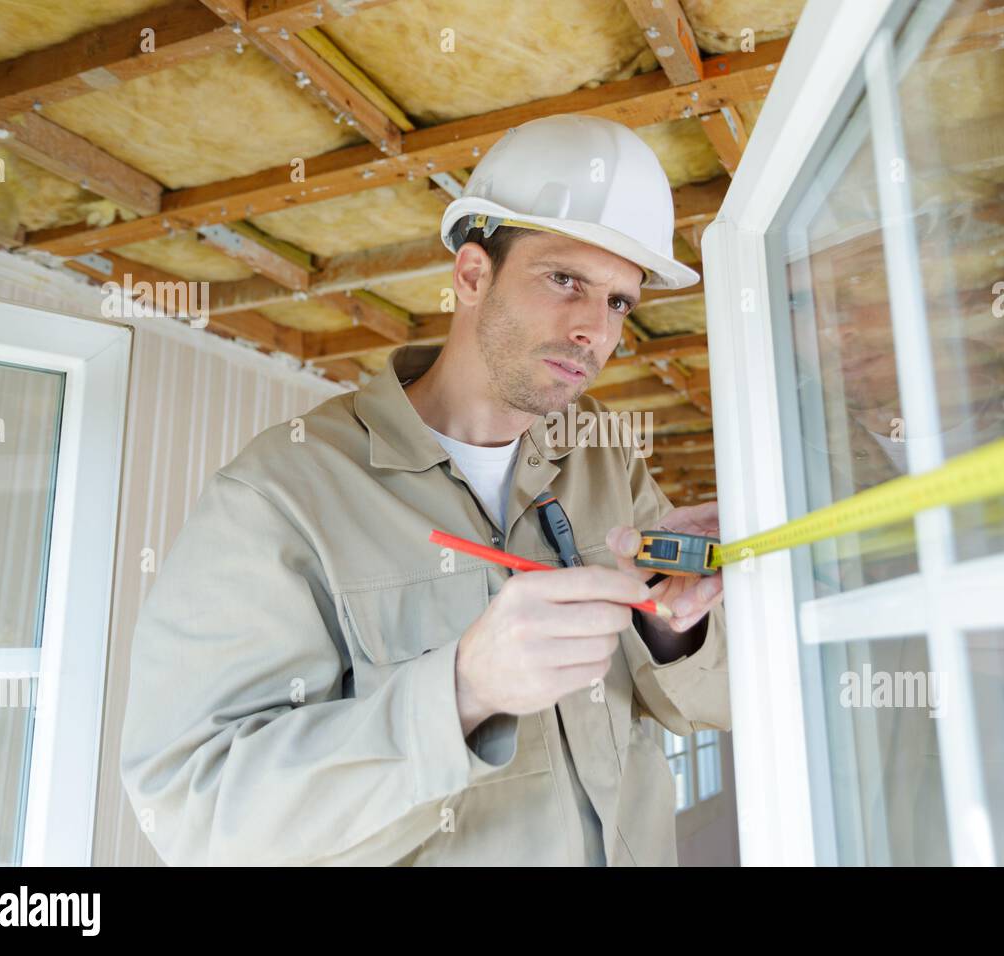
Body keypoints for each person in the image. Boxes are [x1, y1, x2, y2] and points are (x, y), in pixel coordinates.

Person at [120, 114, 730, 866]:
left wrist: (672, 626)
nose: (592, 332)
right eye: (565, 279)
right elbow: (194, 810)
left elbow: (694, 705)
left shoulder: (602, 455)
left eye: (617, 302)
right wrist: (462, 691)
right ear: (473, 275)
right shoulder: (284, 493)